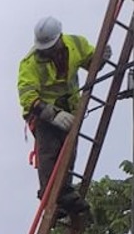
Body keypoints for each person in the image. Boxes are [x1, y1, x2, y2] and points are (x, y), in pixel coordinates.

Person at [16, 16, 109, 219]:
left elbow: (91, 61)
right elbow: (28, 97)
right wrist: (52, 114)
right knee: (49, 155)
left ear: (59, 37)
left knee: (67, 155)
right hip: (44, 116)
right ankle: (52, 199)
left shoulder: (76, 44)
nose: (47, 50)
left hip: (71, 110)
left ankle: (64, 196)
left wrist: (101, 58)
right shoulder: (30, 63)